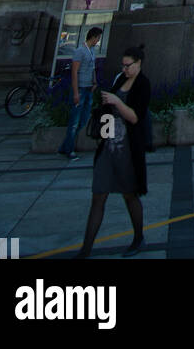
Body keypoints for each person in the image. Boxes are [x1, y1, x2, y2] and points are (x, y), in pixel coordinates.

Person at [74, 42, 150, 259]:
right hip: (108, 147)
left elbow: (136, 117)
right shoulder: (119, 79)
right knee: (98, 196)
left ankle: (138, 238)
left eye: (128, 65)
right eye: (123, 65)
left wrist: (116, 101)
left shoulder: (143, 84)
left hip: (127, 150)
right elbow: (109, 111)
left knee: (130, 196)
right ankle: (85, 250)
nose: (125, 69)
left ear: (139, 64)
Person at [58, 27, 102, 160]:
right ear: (93, 37)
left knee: (83, 120)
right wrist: (76, 92)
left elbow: (93, 68)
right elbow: (74, 73)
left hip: (89, 88)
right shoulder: (80, 51)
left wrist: (94, 82)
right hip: (80, 89)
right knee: (74, 122)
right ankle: (69, 150)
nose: (98, 40)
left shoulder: (92, 51)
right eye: (98, 38)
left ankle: (64, 146)